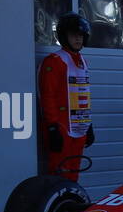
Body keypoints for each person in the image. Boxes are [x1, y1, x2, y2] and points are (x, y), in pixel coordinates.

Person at [38, 12, 94, 182]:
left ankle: (71, 198)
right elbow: (48, 96)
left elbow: (84, 94)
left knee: (74, 174)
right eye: (73, 35)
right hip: (62, 128)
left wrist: (88, 124)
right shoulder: (55, 61)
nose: (78, 39)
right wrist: (52, 127)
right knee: (59, 174)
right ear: (64, 36)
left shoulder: (83, 61)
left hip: (79, 127)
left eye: (81, 35)